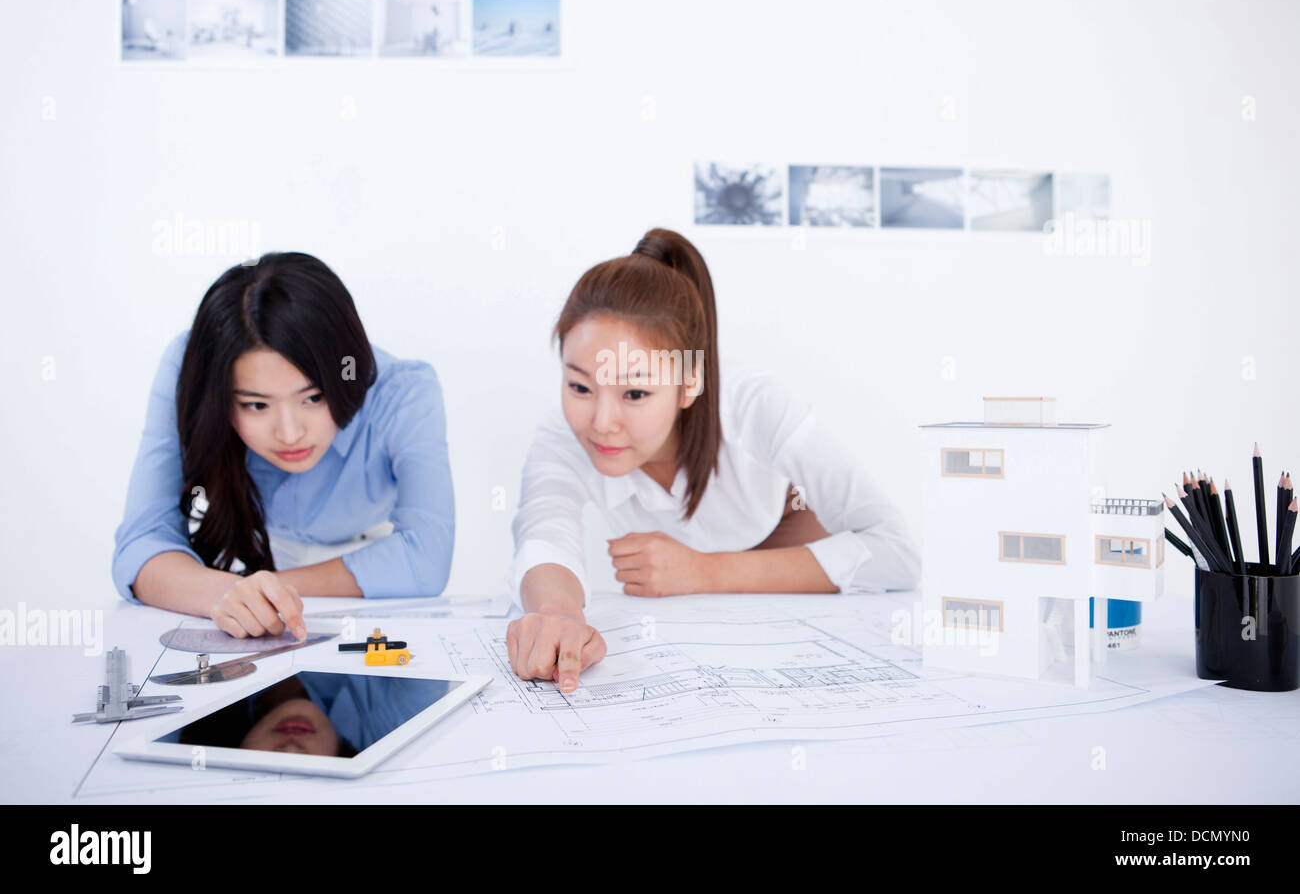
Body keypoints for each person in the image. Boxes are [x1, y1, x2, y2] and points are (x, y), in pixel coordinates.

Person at [506, 228, 920, 692]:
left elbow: (897, 552)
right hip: (694, 614)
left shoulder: (753, 403)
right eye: (579, 386)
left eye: (635, 392)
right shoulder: (561, 431)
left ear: (689, 385)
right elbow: (545, 530)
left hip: (792, 549)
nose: (601, 422)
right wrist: (557, 615)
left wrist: (705, 571)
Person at [112, 252, 454, 638]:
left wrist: (265, 586)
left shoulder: (405, 391)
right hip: (240, 571)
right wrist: (228, 592)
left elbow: (424, 559)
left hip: (357, 579)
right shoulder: (190, 366)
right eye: (256, 405)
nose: (290, 433)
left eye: (313, 397)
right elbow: (141, 542)